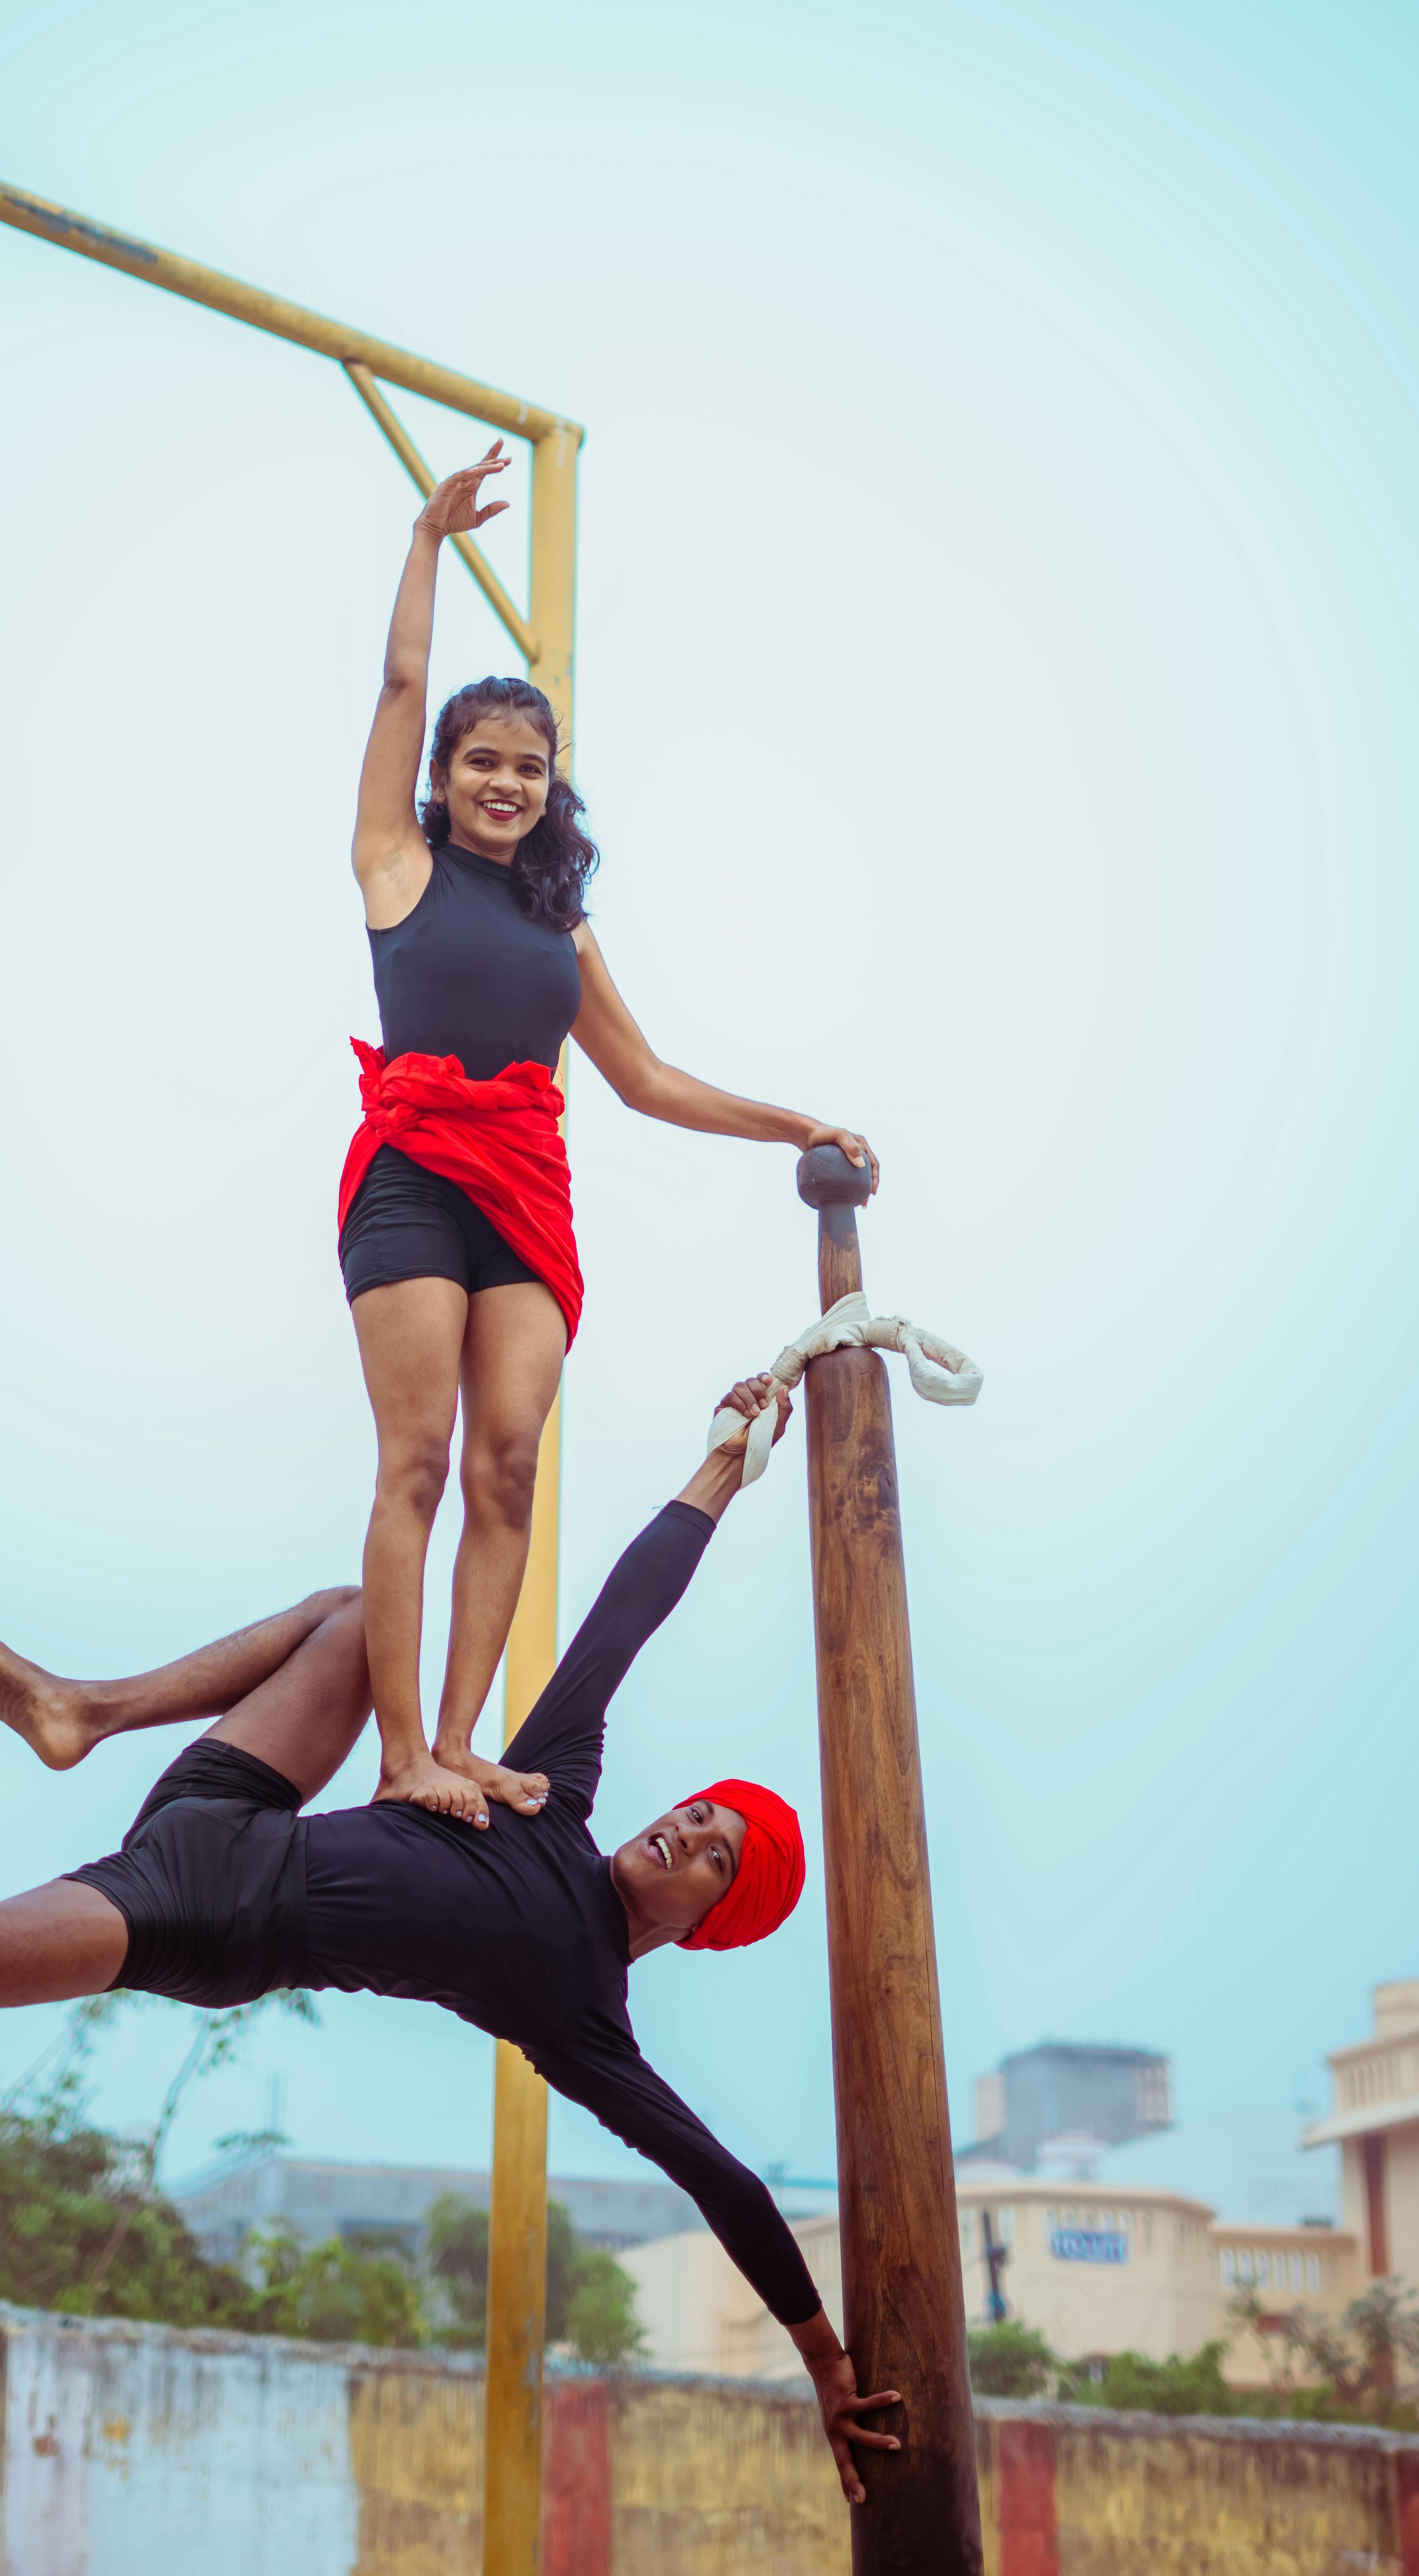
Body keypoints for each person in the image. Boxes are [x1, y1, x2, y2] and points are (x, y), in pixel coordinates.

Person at [0, 1379, 900, 2503]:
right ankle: (86, 1710)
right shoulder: (545, 1793)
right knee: (360, 1611)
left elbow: (725, 2184)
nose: (687, 1830)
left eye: (717, 1854)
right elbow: (627, 1615)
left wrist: (827, 2364)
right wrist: (725, 1460)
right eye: (701, 1812)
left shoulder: (584, 2013)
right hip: (232, 1802)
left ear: (709, 1923)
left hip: (202, 1913)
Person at [345, 442, 879, 1829]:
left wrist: (796, 1122)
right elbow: (401, 685)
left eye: (529, 768)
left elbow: (641, 1078)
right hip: (413, 1180)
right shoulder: (397, 865)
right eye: (481, 762)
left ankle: (460, 1741)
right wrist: (426, 541)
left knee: (508, 1464)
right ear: (443, 775)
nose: (505, 783)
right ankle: (402, 1754)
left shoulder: (557, 923)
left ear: (550, 786)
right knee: (418, 1462)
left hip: (527, 1197)